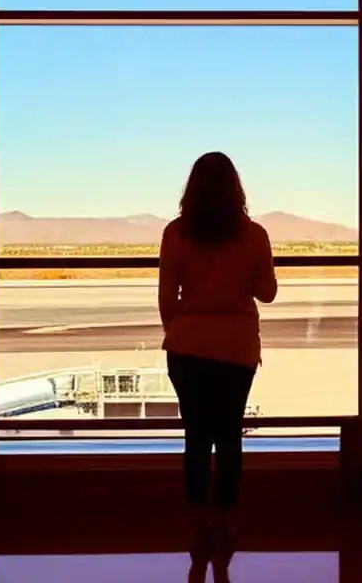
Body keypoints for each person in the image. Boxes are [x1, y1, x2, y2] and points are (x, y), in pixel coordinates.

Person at [159, 151, 277, 539]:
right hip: (235, 348)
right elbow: (268, 292)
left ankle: (197, 522)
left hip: (187, 347)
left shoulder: (175, 234)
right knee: (228, 437)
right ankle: (224, 521)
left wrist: (178, 333)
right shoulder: (254, 235)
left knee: (195, 436)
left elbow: (166, 297)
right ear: (236, 189)